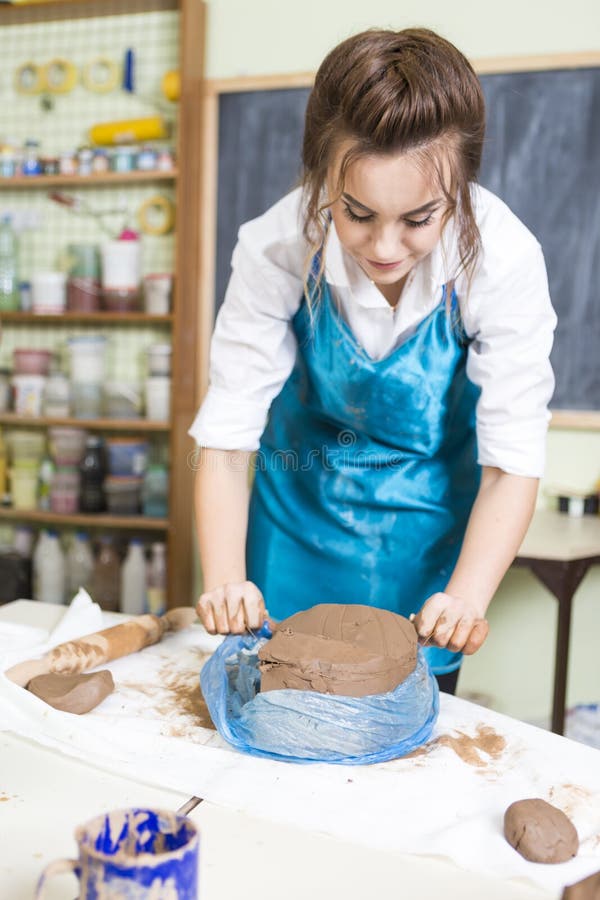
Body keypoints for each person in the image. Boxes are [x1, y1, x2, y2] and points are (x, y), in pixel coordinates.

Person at [189, 27, 556, 693]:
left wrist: (467, 597)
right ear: (320, 176)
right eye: (357, 213)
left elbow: (511, 464)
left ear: (462, 186)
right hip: (294, 532)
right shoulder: (276, 247)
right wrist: (224, 581)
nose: (385, 246)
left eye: (419, 218)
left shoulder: (503, 260)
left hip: (427, 552)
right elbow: (226, 439)